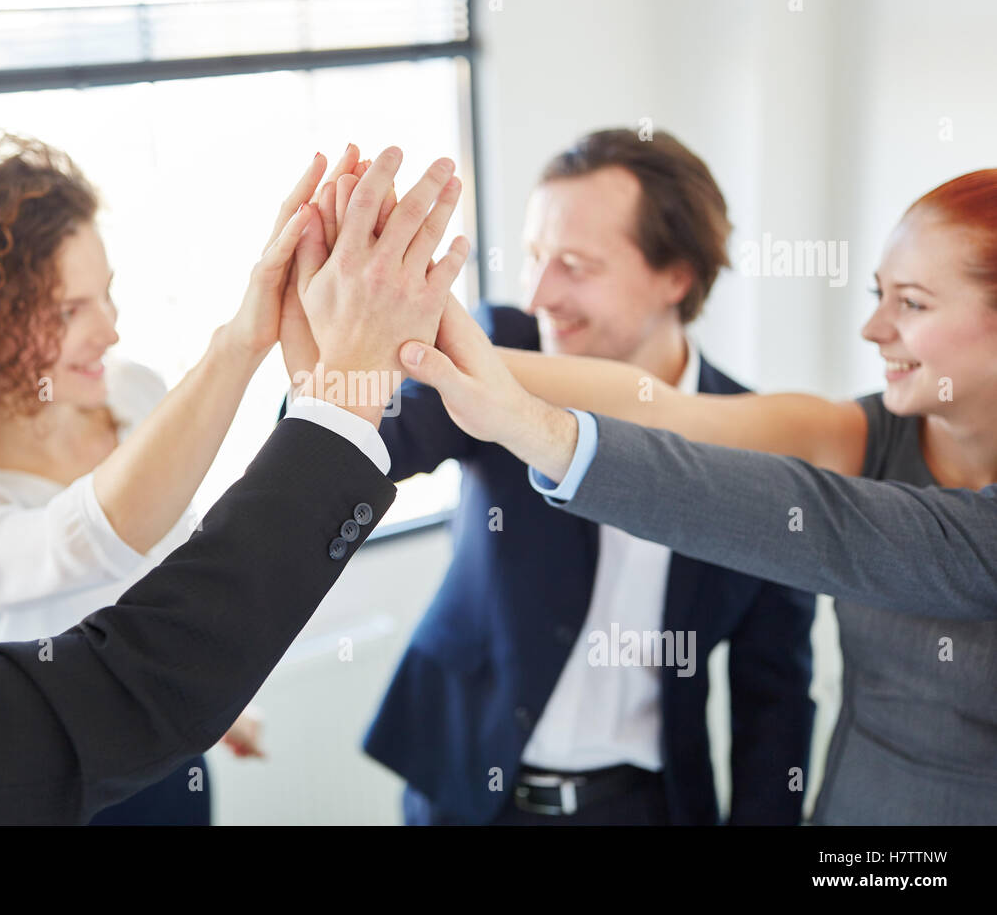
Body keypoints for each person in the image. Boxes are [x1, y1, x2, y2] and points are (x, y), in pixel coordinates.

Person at [0, 144, 470, 823]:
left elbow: (171, 561)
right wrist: (268, 358)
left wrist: (207, 693)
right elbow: (93, 539)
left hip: (168, 751)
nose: (109, 329)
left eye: (109, 294)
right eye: (71, 309)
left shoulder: (131, 390)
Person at [382, 168, 997, 824]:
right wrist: (407, 348)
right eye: (879, 294)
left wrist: (519, 415)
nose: (873, 328)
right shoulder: (858, 432)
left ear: (675, 277)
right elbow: (669, 414)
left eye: (913, 302)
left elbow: (774, 685)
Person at [287, 129, 815, 825]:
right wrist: (343, 330)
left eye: (574, 264)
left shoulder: (759, 445)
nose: (538, 294)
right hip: (465, 789)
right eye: (534, 257)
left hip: (642, 808)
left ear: (676, 276)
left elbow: (773, 693)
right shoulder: (498, 346)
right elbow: (364, 441)